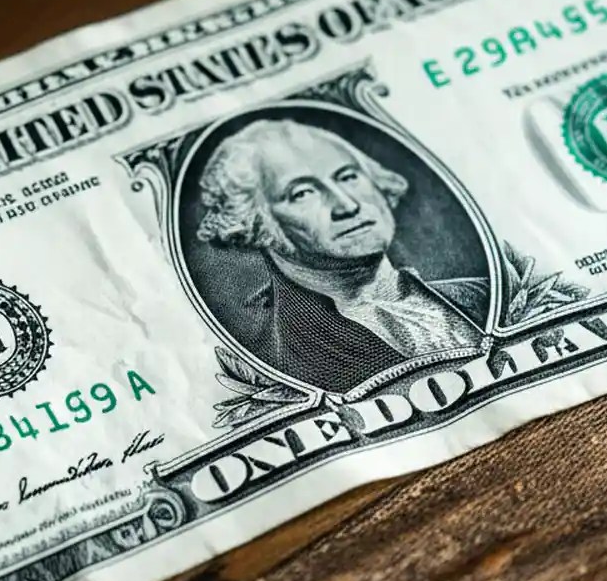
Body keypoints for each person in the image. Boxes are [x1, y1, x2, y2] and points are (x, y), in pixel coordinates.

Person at [196, 119, 486, 393]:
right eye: (302, 193)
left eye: (348, 177)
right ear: (255, 221)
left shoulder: (478, 295)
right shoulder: (275, 363)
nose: (347, 205)